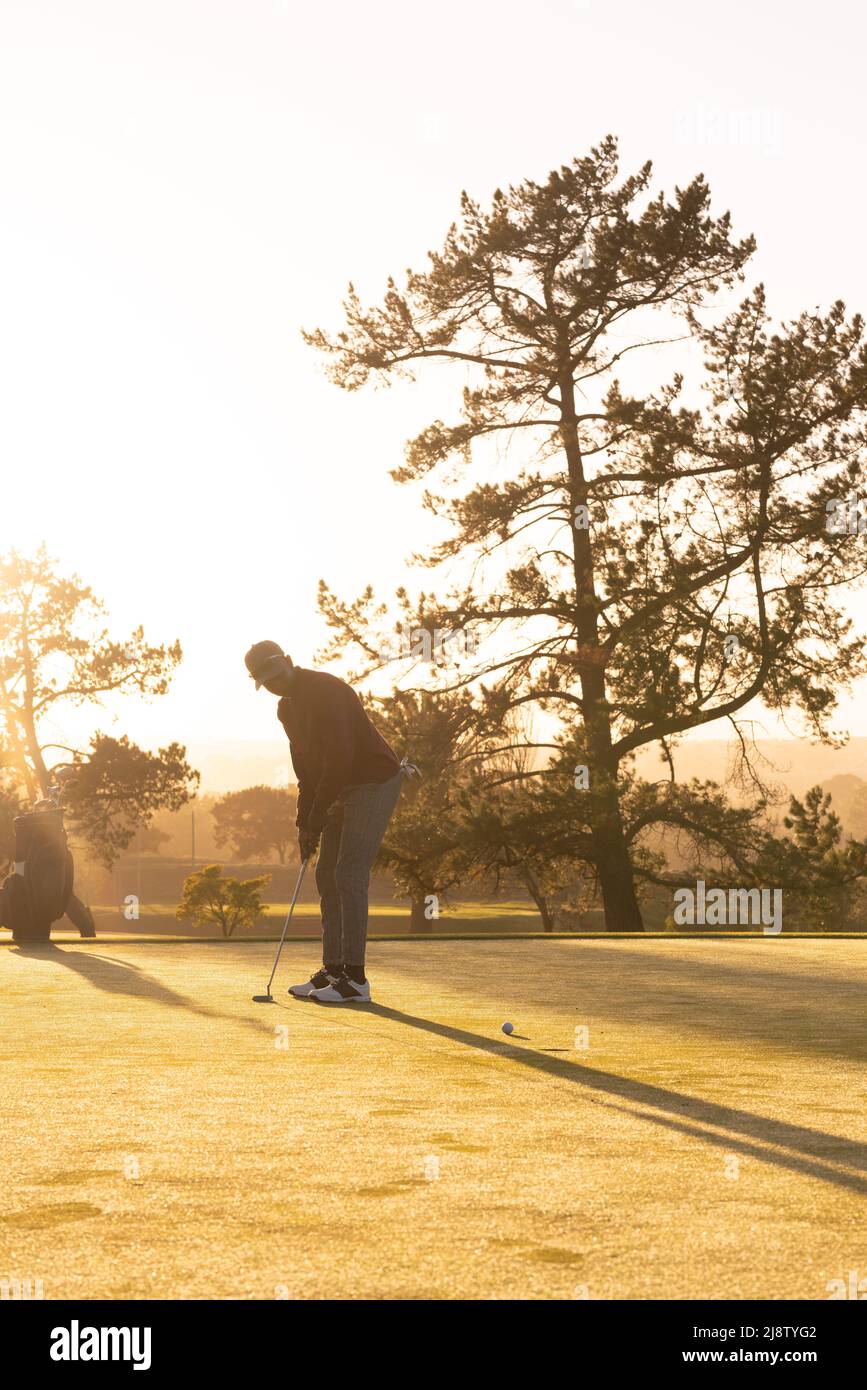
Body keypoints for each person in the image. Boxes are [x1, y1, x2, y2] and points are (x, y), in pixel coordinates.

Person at [244, 641, 405, 1003]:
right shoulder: (286, 709)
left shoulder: (327, 691)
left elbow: (339, 761)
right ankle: (333, 970)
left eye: (276, 674)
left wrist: (317, 818)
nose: (274, 684)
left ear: (289, 661)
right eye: (265, 681)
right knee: (325, 874)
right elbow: (308, 771)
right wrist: (305, 823)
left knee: (348, 873)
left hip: (373, 781)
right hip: (340, 784)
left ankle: (355, 981)